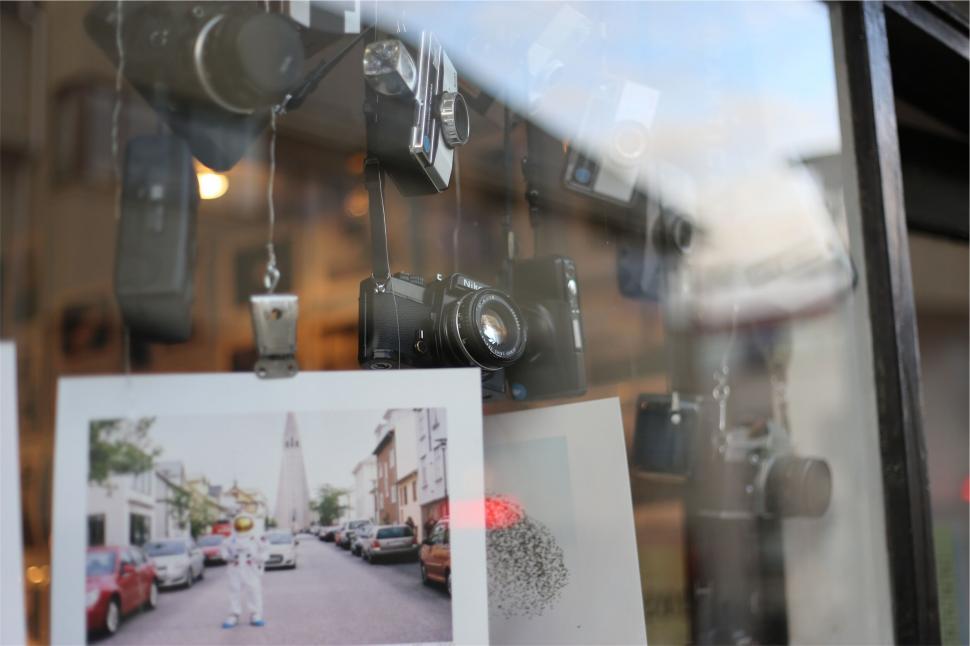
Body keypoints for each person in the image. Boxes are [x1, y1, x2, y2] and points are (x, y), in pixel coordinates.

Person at [221, 512, 268, 629]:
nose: (242, 526)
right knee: (234, 591)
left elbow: (265, 550)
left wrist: (258, 558)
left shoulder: (257, 538)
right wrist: (228, 557)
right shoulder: (231, 539)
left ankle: (255, 614)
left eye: (245, 523)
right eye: (240, 523)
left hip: (250, 567)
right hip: (235, 567)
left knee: (253, 590)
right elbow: (223, 549)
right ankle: (234, 614)